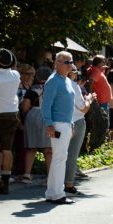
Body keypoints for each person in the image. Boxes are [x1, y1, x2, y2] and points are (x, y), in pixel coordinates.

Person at [41, 51, 76, 205]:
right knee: (59, 159)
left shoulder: (65, 80)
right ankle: (57, 194)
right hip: (58, 124)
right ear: (58, 63)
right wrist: (48, 123)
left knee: (59, 158)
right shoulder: (53, 80)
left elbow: (68, 105)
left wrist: (72, 123)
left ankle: (52, 192)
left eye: (71, 62)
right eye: (67, 62)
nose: (71, 65)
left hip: (65, 123)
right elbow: (46, 104)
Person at [20, 65, 52, 184]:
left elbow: (25, 106)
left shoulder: (33, 89)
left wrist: (25, 113)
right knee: (48, 149)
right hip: (48, 116)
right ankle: (50, 176)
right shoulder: (53, 89)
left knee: (31, 147)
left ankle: (27, 174)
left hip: (33, 116)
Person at [64, 67, 93, 196]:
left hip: (61, 120)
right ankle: (69, 185)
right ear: (74, 74)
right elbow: (83, 108)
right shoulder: (74, 86)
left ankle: (55, 183)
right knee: (72, 155)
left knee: (58, 154)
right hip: (76, 121)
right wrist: (89, 99)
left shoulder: (55, 83)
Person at [0, 49, 20, 194]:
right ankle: (5, 183)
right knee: (7, 149)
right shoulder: (15, 75)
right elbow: (15, 67)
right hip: (11, 114)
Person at [87, 55, 112, 125]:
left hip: (102, 101)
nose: (105, 63)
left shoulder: (96, 69)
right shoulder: (96, 71)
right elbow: (91, 80)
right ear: (98, 63)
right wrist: (90, 93)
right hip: (101, 101)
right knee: (104, 123)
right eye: (103, 61)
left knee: (103, 122)